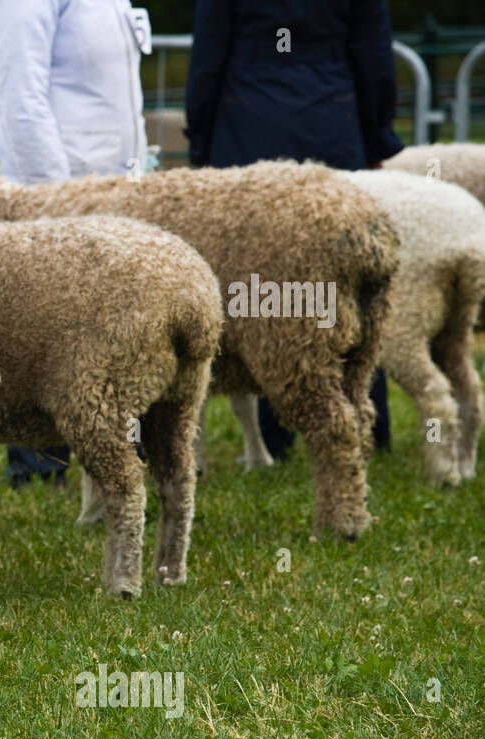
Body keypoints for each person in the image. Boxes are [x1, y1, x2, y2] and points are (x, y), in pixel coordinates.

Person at [185, 0, 403, 459]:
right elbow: (375, 60)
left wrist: (203, 140)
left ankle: (275, 433)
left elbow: (208, 57)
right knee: (344, 282)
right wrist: (378, 135)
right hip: (332, 127)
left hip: (248, 131)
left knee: (261, 286)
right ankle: (365, 420)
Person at [0, 0, 151, 489]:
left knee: (105, 332)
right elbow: (21, 95)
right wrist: (51, 200)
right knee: (43, 329)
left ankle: (112, 455)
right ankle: (38, 466)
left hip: (110, 187)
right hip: (62, 191)